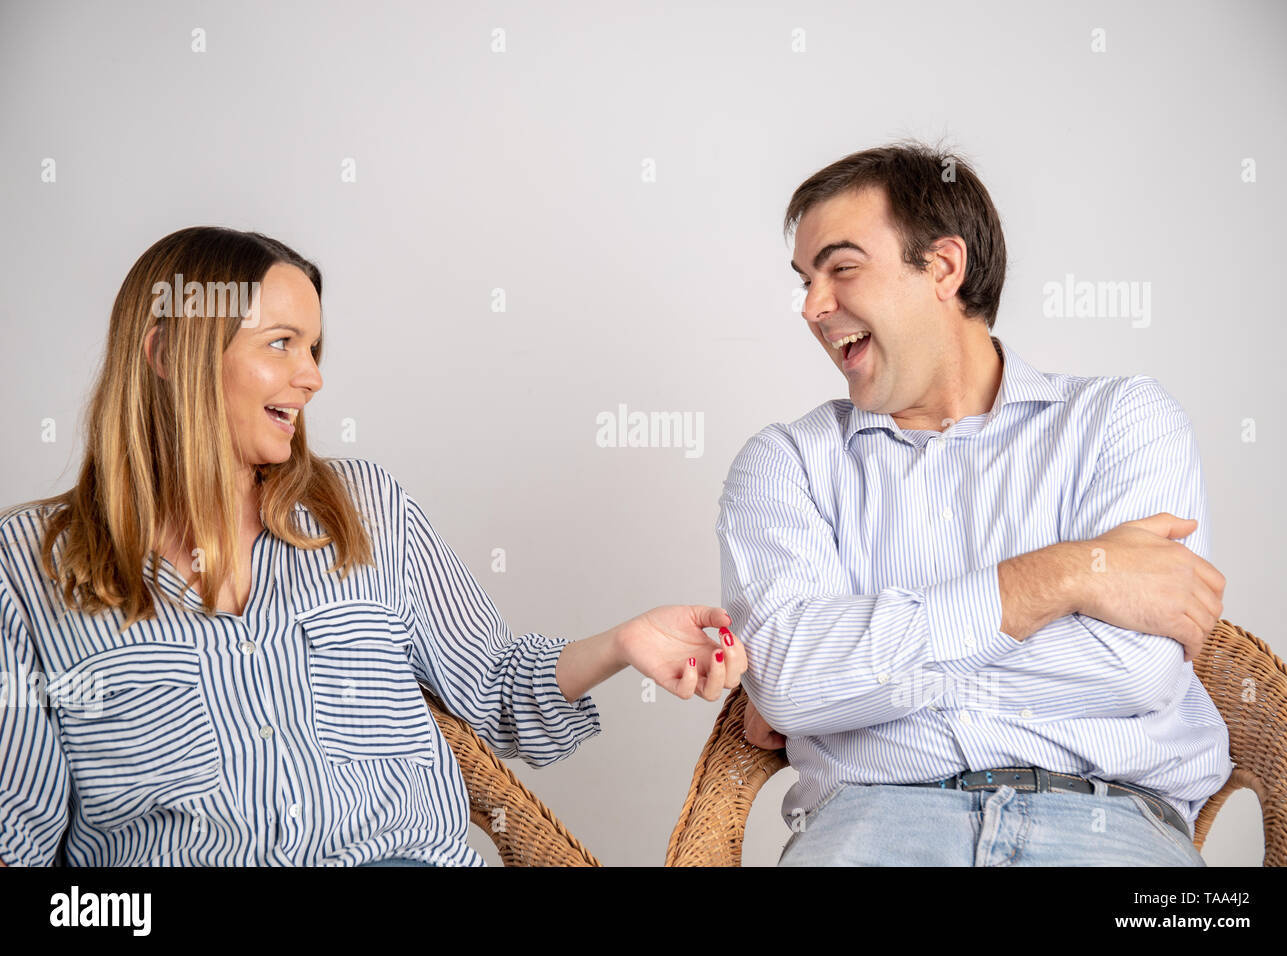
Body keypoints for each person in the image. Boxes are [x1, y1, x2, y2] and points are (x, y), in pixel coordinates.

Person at [0, 226, 746, 867]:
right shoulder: (27, 567)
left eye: (315, 347)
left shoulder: (367, 510)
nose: (314, 377)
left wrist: (621, 644)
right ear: (168, 352)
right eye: (282, 344)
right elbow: (18, 830)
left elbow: (495, 691)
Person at [718, 141, 1230, 866]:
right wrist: (1058, 579)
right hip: (872, 827)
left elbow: (1134, 670)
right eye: (805, 279)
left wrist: (859, 682)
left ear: (944, 267)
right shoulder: (786, 464)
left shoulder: (1123, 420)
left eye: (841, 268)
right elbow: (792, 682)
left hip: (1106, 825)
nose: (811, 307)